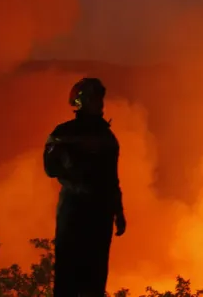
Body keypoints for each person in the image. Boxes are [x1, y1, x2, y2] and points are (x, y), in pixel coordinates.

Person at [43, 77, 128, 297]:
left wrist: (118, 212)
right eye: (93, 98)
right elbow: (50, 168)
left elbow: (112, 178)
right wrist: (74, 176)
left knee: (95, 278)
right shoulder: (64, 134)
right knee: (67, 277)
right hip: (74, 214)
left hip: (99, 215)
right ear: (81, 101)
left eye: (99, 98)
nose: (99, 103)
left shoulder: (106, 137)